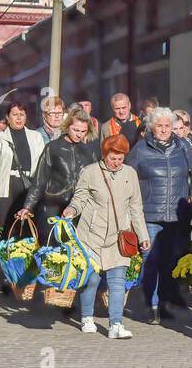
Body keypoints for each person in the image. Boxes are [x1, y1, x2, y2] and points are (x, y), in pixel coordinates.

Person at [64, 134, 151, 339]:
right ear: (105, 155)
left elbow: (136, 207)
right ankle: (87, 317)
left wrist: (142, 235)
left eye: (121, 158)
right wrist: (71, 210)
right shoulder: (91, 172)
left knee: (118, 281)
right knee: (91, 279)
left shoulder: (130, 173)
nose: (116, 162)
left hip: (118, 238)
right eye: (113, 158)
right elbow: (81, 197)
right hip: (90, 235)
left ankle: (116, 325)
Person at [130, 107, 192, 323]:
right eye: (159, 126)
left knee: (170, 262)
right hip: (150, 213)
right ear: (152, 127)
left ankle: (163, 303)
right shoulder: (140, 149)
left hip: (176, 214)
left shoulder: (183, 146)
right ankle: (151, 305)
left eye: (167, 126)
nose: (163, 129)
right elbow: (127, 175)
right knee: (150, 261)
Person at [0, 100, 46, 229]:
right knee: (3, 231)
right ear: (7, 117)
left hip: (27, 191)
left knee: (25, 232)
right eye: (15, 114)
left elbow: (42, 168)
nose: (18, 118)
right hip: (4, 191)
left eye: (22, 114)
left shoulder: (36, 137)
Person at [22, 107, 99, 228]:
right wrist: (27, 206)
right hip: (52, 207)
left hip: (78, 209)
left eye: (83, 131)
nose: (79, 134)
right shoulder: (52, 148)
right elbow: (39, 181)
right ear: (67, 126)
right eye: (76, 130)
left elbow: (95, 183)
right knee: (50, 246)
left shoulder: (89, 152)